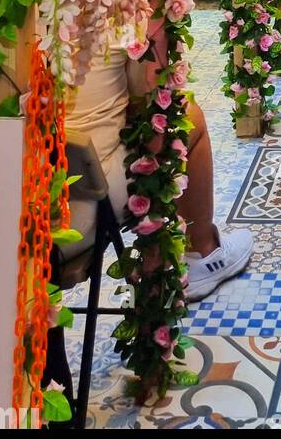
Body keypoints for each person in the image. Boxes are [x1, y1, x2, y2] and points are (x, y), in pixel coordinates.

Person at [64, 49, 252, 301]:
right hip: (80, 210)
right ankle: (204, 252)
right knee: (186, 114)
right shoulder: (116, 17)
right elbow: (147, 98)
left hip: (15, 212)